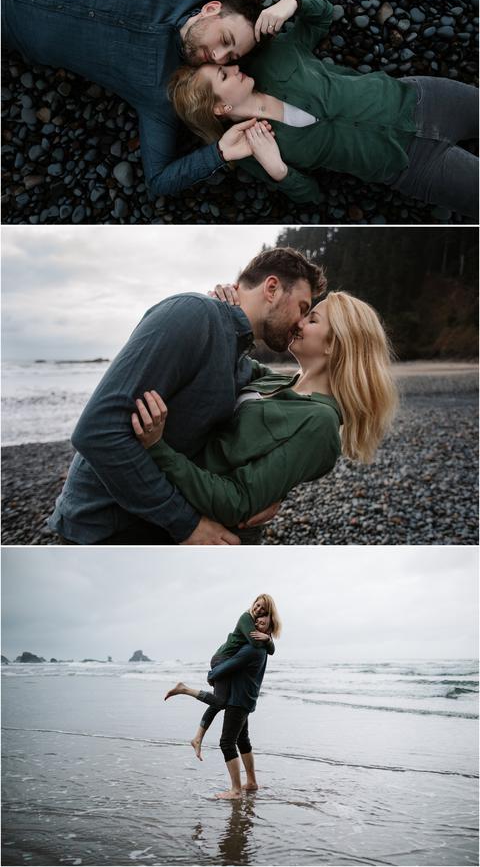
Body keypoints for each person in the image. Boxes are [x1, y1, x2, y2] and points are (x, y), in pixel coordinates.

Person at [1, 0, 300, 197]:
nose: (218, 55)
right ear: (211, 9)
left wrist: (220, 152)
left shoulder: (165, 94)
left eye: (230, 56)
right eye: (224, 39)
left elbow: (158, 180)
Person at [47, 247, 325, 545]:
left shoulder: (240, 360)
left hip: (150, 524)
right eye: (302, 306)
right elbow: (98, 432)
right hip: (104, 529)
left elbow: (293, 400)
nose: (300, 322)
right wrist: (186, 524)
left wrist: (271, 493)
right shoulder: (194, 315)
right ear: (272, 288)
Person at [169, 0, 479, 219]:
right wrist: (279, 170)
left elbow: (323, 16)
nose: (232, 64)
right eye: (224, 73)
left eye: (228, 62)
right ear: (221, 108)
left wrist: (292, 3)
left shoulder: (273, 55)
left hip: (422, 100)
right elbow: (311, 196)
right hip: (412, 167)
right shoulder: (251, 147)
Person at [131, 289, 399, 532]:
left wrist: (158, 449)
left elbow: (236, 502)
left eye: (313, 320)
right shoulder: (275, 380)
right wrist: (227, 307)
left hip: (192, 526)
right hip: (161, 500)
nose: (299, 322)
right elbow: (226, 359)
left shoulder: (320, 423)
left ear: (334, 345)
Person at [165, 594, 281, 799]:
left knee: (227, 742)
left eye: (264, 621)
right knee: (242, 739)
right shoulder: (261, 647)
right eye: (257, 621)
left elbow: (230, 665)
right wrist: (268, 641)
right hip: (248, 698)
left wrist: (212, 675)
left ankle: (236, 790)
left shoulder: (252, 649)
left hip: (238, 700)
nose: (259, 622)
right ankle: (251, 782)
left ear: (270, 627)